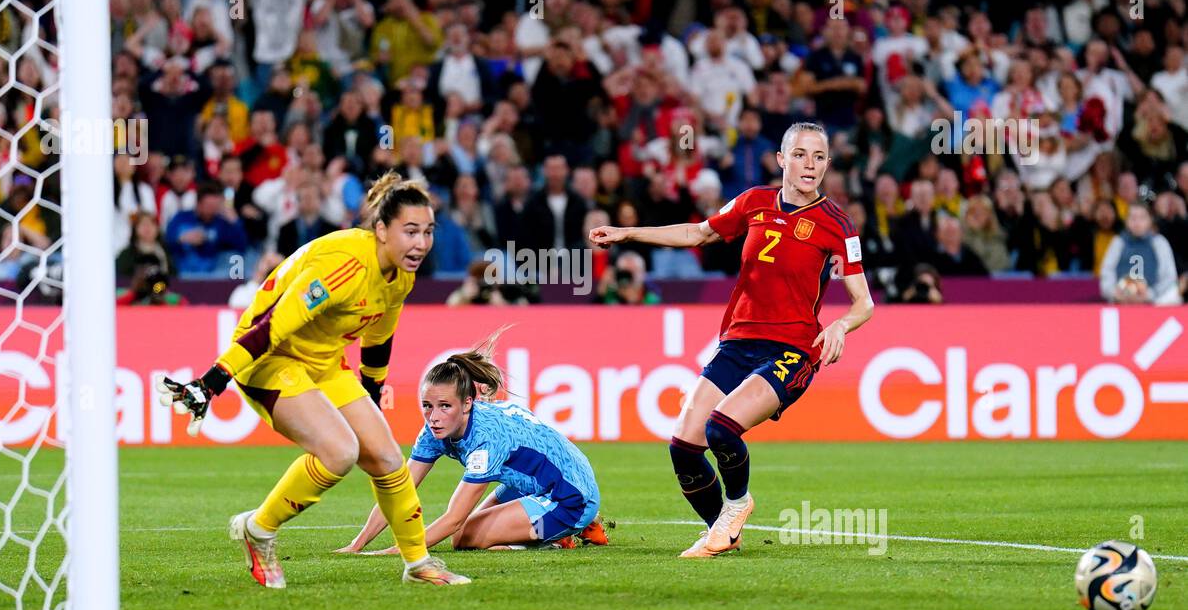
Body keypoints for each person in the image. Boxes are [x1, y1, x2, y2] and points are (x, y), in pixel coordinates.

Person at [157, 173, 471, 587]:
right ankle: (260, 528)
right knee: (340, 452)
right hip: (270, 357)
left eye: (428, 232)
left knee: (388, 458)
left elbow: (379, 334)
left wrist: (371, 392)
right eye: (410, 231)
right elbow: (273, 326)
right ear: (381, 229)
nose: (421, 243)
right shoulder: (344, 265)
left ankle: (418, 565)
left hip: (323, 361)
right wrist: (214, 380)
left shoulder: (400, 274)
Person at [590, 122, 874, 557]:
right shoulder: (753, 202)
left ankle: (738, 504)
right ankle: (722, 531)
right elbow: (698, 232)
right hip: (737, 341)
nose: (809, 165)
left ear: (828, 165)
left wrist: (838, 326)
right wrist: (630, 233)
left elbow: (864, 303)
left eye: (818, 157)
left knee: (721, 428)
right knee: (684, 447)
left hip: (794, 350)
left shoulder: (836, 223)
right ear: (781, 160)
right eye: (799, 154)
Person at [339, 333, 608, 553]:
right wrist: (357, 544)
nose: (434, 417)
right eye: (427, 406)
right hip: (539, 483)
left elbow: (453, 518)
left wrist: (397, 551)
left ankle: (560, 532)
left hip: (570, 495)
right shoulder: (435, 430)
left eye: (445, 406)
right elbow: (400, 490)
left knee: (467, 537)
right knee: (463, 539)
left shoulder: (486, 438)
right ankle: (556, 528)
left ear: (467, 403)